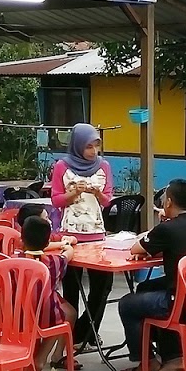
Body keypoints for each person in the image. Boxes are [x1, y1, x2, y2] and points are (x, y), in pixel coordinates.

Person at [118, 179, 186, 371]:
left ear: (169, 202)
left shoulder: (168, 229)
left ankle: (146, 362)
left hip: (182, 304)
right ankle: (173, 356)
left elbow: (136, 249)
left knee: (127, 304)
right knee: (145, 287)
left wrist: (156, 233)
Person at [51, 123, 115, 347]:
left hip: (97, 234)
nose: (93, 152)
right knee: (71, 288)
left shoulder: (103, 166)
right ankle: (69, 338)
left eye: (95, 146)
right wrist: (73, 192)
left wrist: (97, 193)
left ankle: (86, 332)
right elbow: (56, 200)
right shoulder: (62, 166)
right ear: (78, 146)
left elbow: (108, 201)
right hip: (71, 236)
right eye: (88, 147)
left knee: (102, 286)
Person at [19, 213, 76, 371]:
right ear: (47, 241)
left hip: (16, 316)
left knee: (54, 312)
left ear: (22, 238)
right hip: (44, 316)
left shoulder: (15, 259)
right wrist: (68, 246)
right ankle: (42, 357)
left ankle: (24, 359)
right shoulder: (53, 262)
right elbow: (68, 254)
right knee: (59, 316)